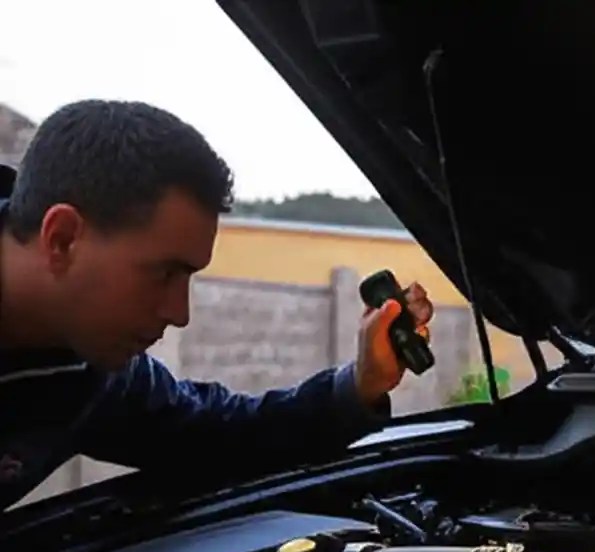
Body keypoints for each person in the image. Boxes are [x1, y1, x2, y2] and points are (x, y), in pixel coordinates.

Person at [0, 99, 434, 509]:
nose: (179, 313)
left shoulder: (93, 373)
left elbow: (219, 435)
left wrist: (360, 384)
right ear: (62, 239)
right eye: (164, 273)